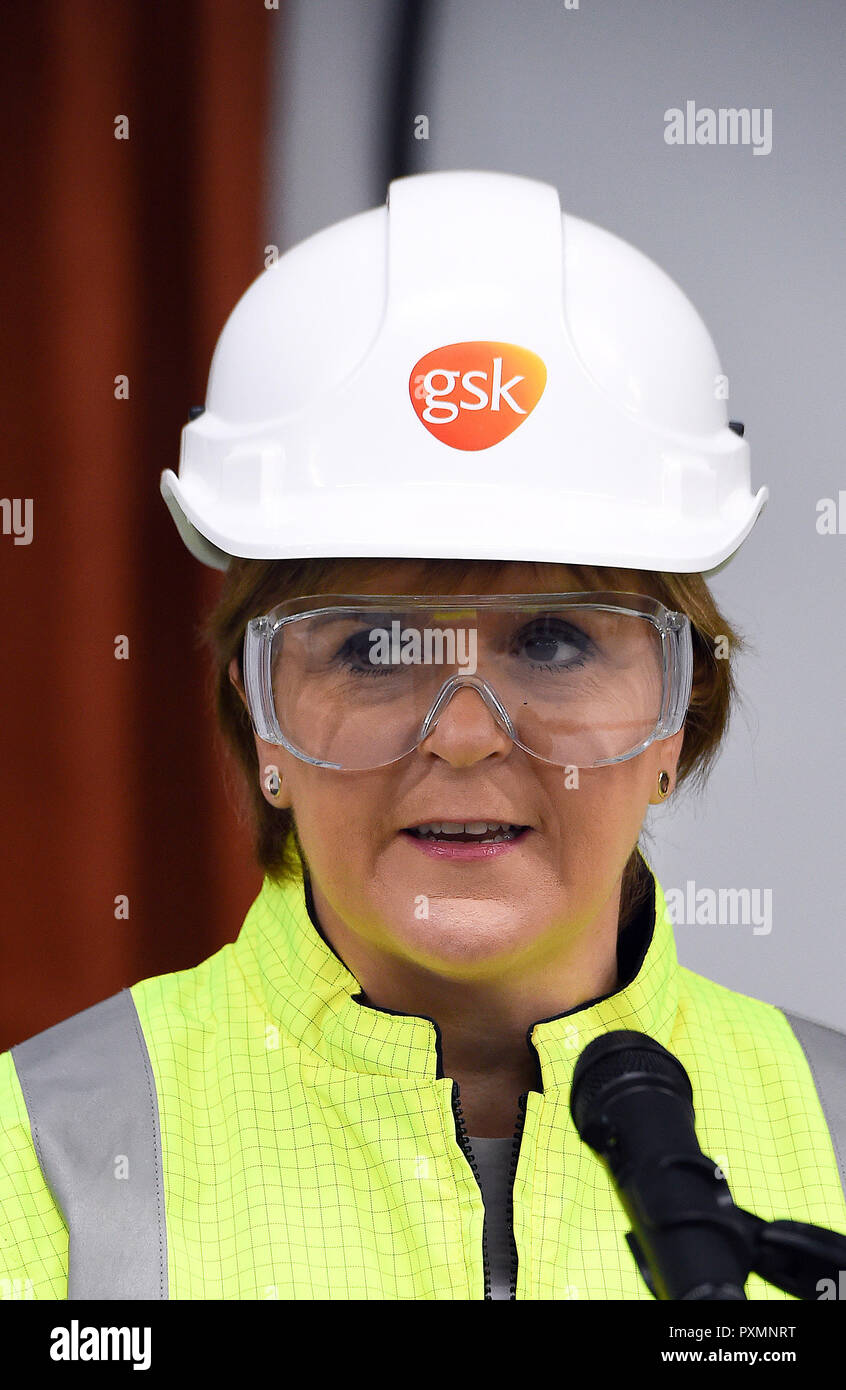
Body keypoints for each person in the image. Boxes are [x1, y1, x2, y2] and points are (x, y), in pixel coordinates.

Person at [2, 169, 845, 1302]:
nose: (459, 735)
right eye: (370, 647)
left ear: (675, 714)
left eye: (550, 640)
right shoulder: (38, 1155)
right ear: (261, 713)